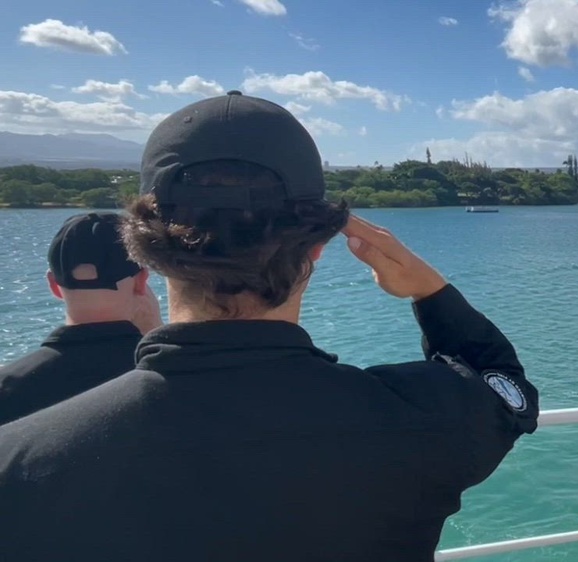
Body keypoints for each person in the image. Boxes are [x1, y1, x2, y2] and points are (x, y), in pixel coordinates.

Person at [0, 91, 538, 562]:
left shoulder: (21, 463)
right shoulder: (422, 421)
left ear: (149, 255)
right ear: (316, 248)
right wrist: (430, 290)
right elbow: (503, 387)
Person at [0, 211, 162, 425]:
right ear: (142, 282)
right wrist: (156, 334)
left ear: (53, 286)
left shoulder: (8, 386)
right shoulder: (161, 373)